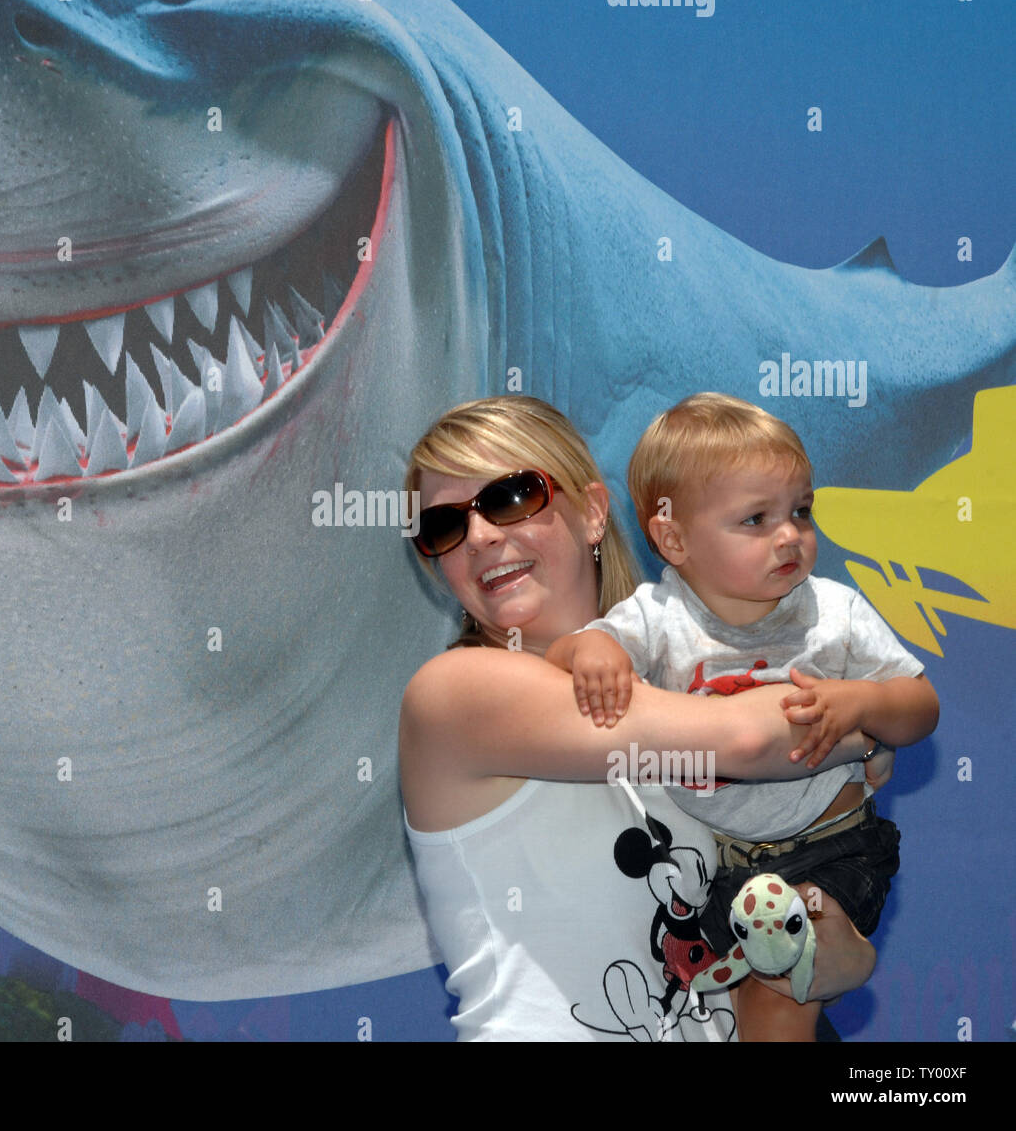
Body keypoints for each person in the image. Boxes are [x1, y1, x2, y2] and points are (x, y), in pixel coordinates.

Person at [399, 395, 888, 1042]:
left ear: (592, 512)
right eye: (443, 525)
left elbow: (774, 943)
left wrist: (841, 960)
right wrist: (867, 725)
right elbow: (751, 737)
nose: (482, 535)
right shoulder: (453, 694)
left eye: (511, 497)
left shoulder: (675, 683)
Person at [546, 393, 938, 1040]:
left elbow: (921, 706)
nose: (790, 535)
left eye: (801, 511)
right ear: (673, 538)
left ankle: (836, 951)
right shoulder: (657, 617)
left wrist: (863, 702)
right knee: (743, 1011)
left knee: (780, 995)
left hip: (832, 848)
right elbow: (566, 656)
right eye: (756, 519)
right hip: (725, 871)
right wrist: (592, 650)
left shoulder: (834, 611)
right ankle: (829, 960)